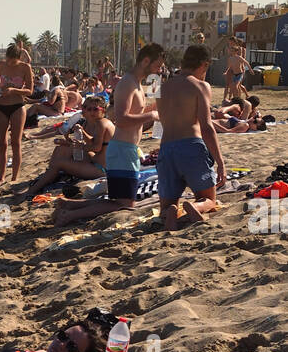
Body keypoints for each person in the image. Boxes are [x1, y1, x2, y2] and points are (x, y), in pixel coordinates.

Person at [52, 44, 164, 226]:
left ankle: (68, 205)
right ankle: (68, 215)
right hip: (122, 150)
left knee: (120, 200)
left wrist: (154, 109)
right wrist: (150, 115)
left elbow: (136, 113)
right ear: (145, 61)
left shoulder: (137, 84)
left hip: (127, 150)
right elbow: (121, 119)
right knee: (124, 204)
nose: (159, 70)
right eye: (157, 66)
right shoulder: (128, 83)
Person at [156, 44, 226, 231]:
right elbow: (207, 126)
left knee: (165, 206)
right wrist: (220, 161)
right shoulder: (200, 86)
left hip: (166, 149)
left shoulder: (162, 87)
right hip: (191, 147)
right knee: (209, 199)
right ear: (204, 64)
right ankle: (195, 206)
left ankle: (170, 210)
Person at [29, 97, 115, 197]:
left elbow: (96, 148)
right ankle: (49, 175)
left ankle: (31, 190)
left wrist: (79, 144)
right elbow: (92, 143)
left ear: (103, 110)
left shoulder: (102, 123)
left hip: (102, 169)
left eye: (95, 109)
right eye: (87, 108)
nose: (91, 111)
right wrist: (69, 142)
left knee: (59, 163)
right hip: (97, 161)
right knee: (61, 149)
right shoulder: (92, 122)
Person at [0, 44, 34, 184]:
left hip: (17, 106)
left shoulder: (25, 68)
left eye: (13, 61)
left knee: (15, 142)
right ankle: (1, 177)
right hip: (1, 105)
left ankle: (14, 177)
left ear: (19, 58)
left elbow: (30, 91)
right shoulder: (1, 65)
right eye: (8, 60)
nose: (10, 63)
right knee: (1, 144)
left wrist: (14, 90)